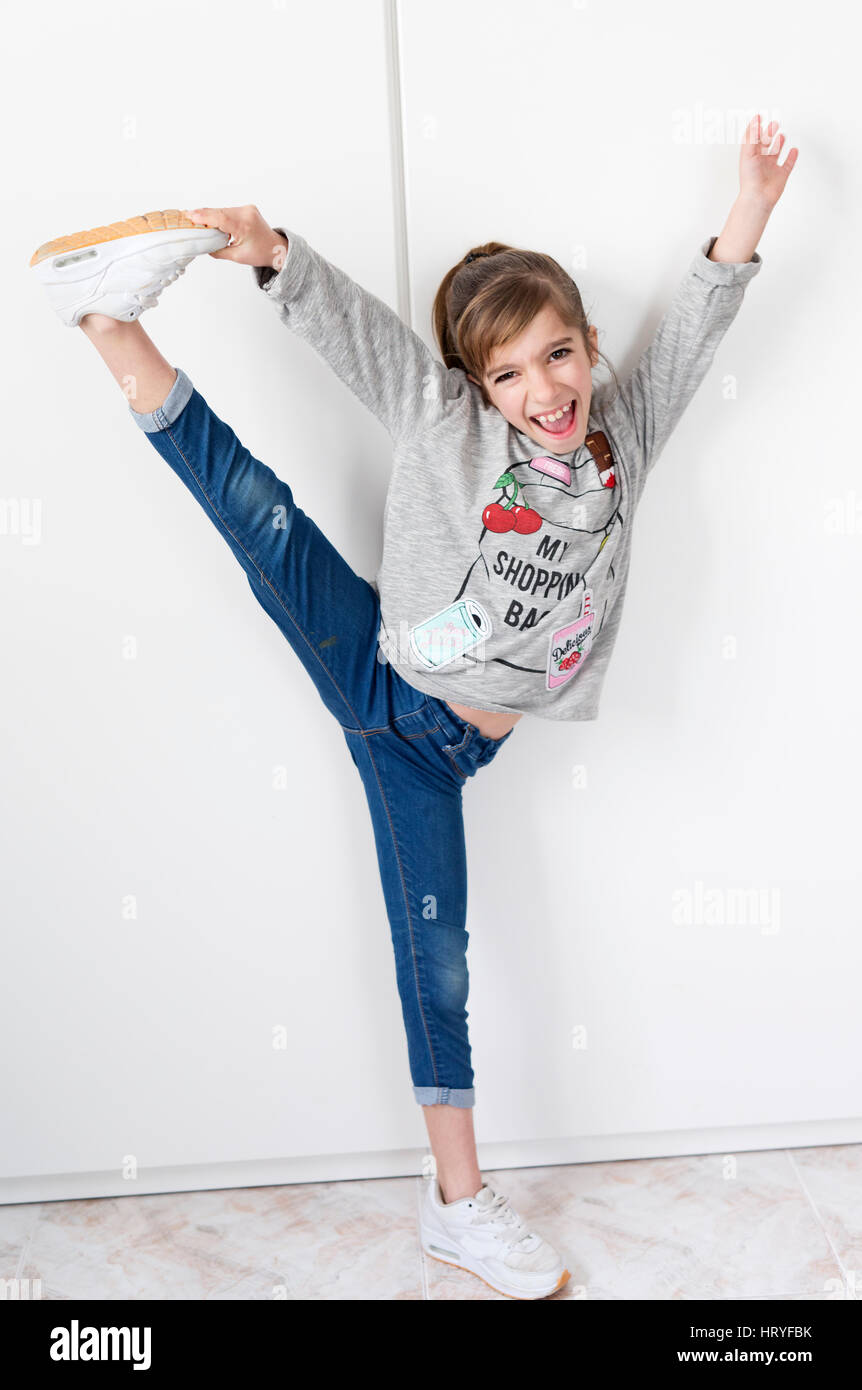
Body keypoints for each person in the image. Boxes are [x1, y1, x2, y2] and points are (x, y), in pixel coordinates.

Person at [28, 112, 796, 1300]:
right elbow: (368, 346)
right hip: (402, 714)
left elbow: (696, 328)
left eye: (555, 355)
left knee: (265, 526)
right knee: (259, 519)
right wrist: (271, 247)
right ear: (476, 384)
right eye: (507, 372)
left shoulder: (620, 441)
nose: (541, 388)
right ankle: (459, 1206)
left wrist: (750, 202)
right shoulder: (451, 429)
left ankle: (102, 317)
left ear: (587, 346)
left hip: (454, 745)